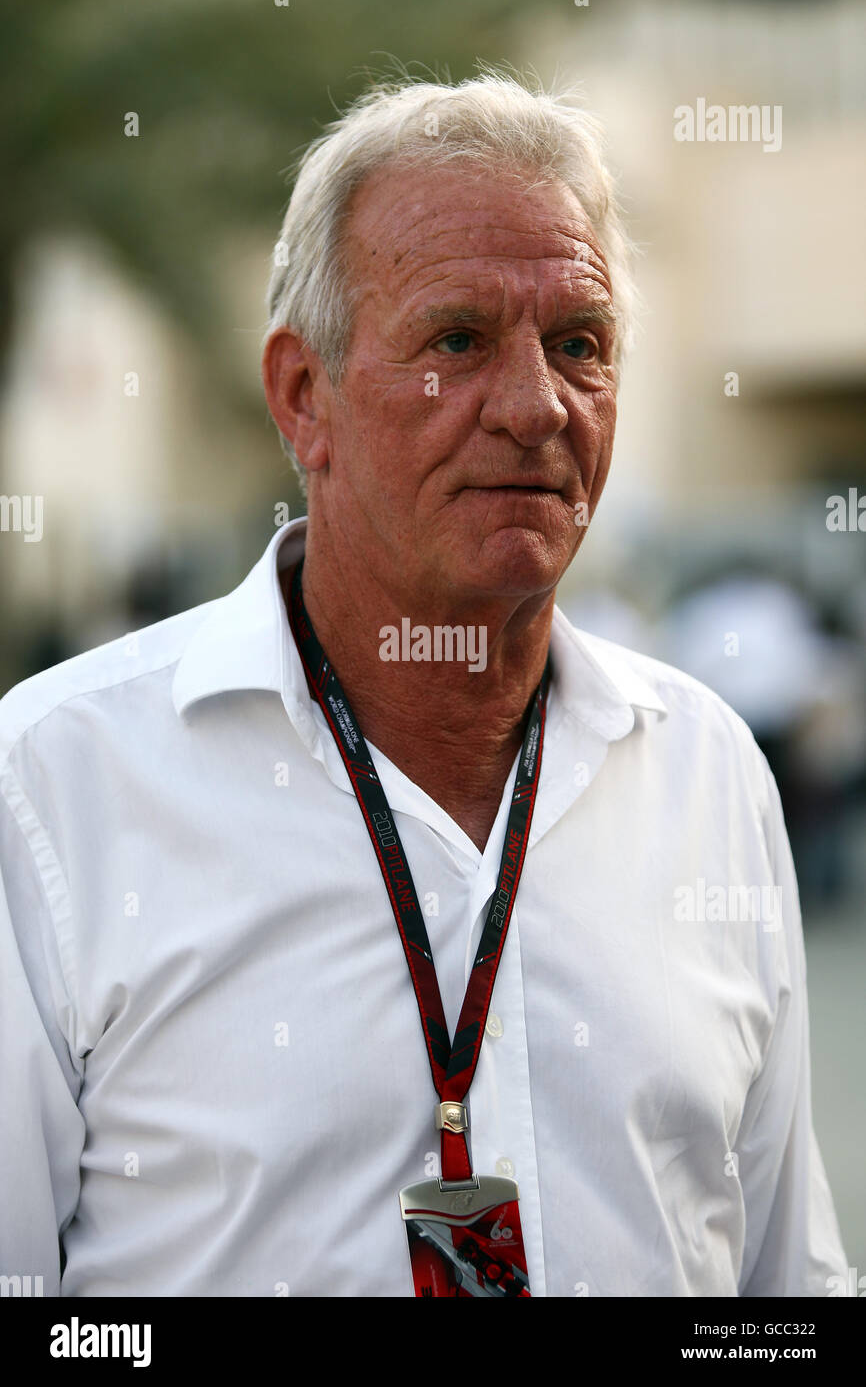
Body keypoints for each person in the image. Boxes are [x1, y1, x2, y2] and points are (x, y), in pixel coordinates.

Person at [0, 70, 848, 1297]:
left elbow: (785, 1286)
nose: (533, 405)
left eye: (579, 345)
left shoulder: (703, 770)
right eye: (457, 340)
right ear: (304, 397)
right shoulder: (56, 785)